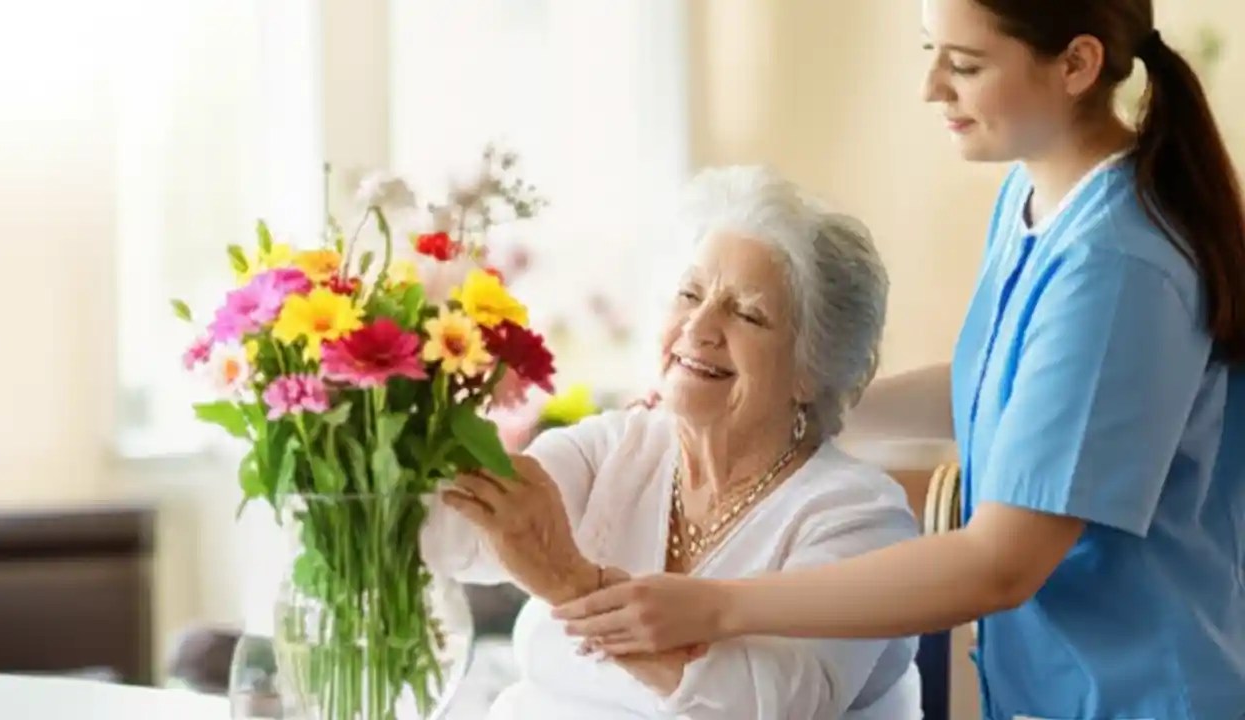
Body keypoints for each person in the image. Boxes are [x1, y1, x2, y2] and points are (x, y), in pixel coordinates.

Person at [553, 1, 1245, 718]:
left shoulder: (1117, 265)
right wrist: (783, 398)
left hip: (1142, 693)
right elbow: (999, 391)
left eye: (966, 65)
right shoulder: (1034, 199)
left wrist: (720, 606)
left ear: (1076, 64)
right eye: (930, 51)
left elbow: (998, 565)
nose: (932, 87)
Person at [421, 165, 924, 719]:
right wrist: (369, 407)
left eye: (748, 314)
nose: (699, 326)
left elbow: (773, 705)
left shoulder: (855, 516)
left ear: (811, 370)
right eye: (690, 293)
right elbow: (458, 541)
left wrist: (571, 583)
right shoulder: (616, 447)